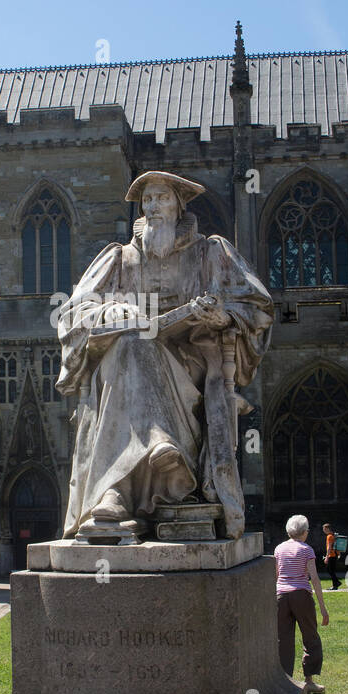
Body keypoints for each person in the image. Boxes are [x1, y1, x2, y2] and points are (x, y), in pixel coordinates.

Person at [56, 171, 273, 540]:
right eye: (148, 200)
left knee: (135, 348)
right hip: (125, 362)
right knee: (132, 344)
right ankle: (144, 467)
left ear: (179, 205)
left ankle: (119, 491)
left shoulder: (210, 253)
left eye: (162, 198)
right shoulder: (119, 259)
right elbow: (73, 315)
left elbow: (258, 307)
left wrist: (224, 315)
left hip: (193, 369)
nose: (153, 207)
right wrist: (109, 314)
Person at [274, 514, 330, 694]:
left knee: (283, 640)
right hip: (301, 596)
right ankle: (309, 680)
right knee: (310, 636)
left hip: (281, 596)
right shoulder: (307, 550)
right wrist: (322, 607)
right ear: (304, 532)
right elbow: (314, 578)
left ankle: (285, 680)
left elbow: (275, 576)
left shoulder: (279, 549)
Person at [323, 522, 342, 589]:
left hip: (332, 555)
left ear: (328, 529)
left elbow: (329, 547)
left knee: (330, 570)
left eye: (324, 529)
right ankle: (336, 583)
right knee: (331, 570)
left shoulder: (329, 536)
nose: (323, 530)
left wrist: (326, 557)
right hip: (335, 555)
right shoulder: (333, 535)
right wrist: (339, 554)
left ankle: (336, 584)